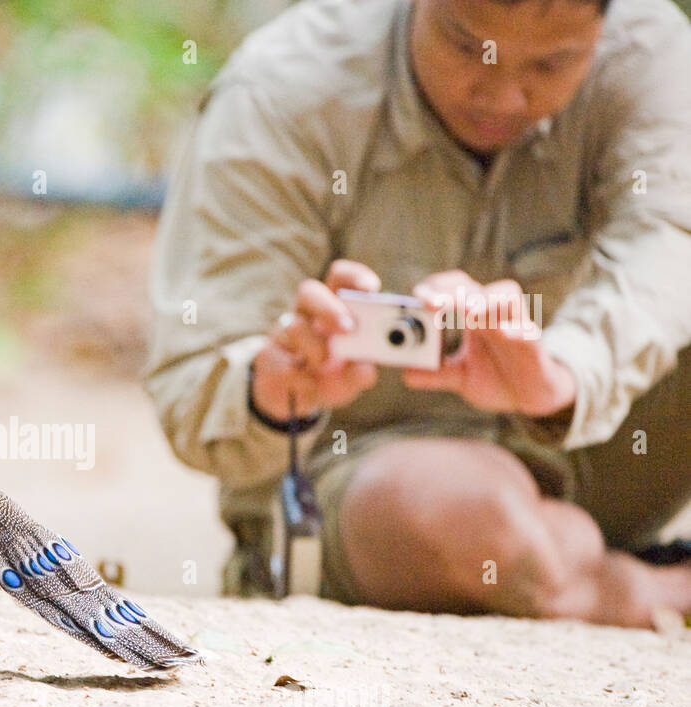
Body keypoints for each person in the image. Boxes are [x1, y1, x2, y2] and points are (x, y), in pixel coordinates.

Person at [146, 0, 691, 627]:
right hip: (366, 482)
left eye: (552, 63)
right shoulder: (283, 90)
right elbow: (192, 382)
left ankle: (568, 570)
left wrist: (563, 375)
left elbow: (666, 246)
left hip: (594, 461)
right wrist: (274, 389)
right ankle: (644, 585)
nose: (503, 93)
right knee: (480, 523)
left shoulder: (649, 56)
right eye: (465, 43)